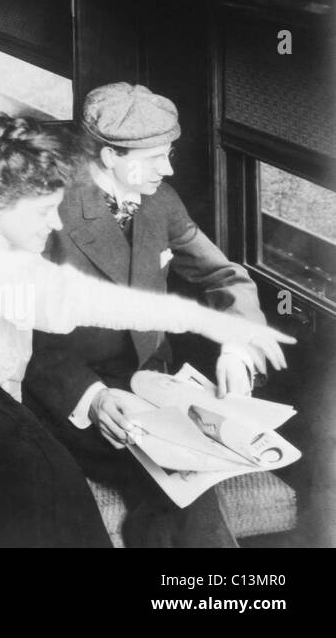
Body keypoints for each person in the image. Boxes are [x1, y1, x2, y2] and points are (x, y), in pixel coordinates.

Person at [0, 116, 293, 548]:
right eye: (44, 212)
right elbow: (66, 300)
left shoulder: (10, 235)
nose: (55, 223)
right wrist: (202, 319)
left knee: (46, 475)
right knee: (31, 478)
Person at [23, 83, 278, 547]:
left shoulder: (160, 200)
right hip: (72, 388)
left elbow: (225, 277)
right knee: (181, 482)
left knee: (184, 477)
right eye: (156, 156)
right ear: (107, 156)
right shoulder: (46, 208)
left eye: (170, 152)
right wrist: (93, 397)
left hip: (153, 382)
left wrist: (237, 345)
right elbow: (18, 330)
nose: (170, 167)